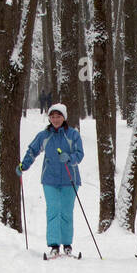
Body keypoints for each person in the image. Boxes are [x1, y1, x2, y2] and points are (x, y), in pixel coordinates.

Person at [17, 104, 84, 258]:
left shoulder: (73, 134)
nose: (55, 119)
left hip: (70, 179)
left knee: (66, 212)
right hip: (50, 179)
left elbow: (80, 154)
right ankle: (54, 245)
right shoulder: (44, 135)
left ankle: (67, 245)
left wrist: (70, 158)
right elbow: (32, 150)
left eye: (58, 116)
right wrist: (24, 165)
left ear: (64, 117)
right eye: (52, 116)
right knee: (53, 211)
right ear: (49, 118)